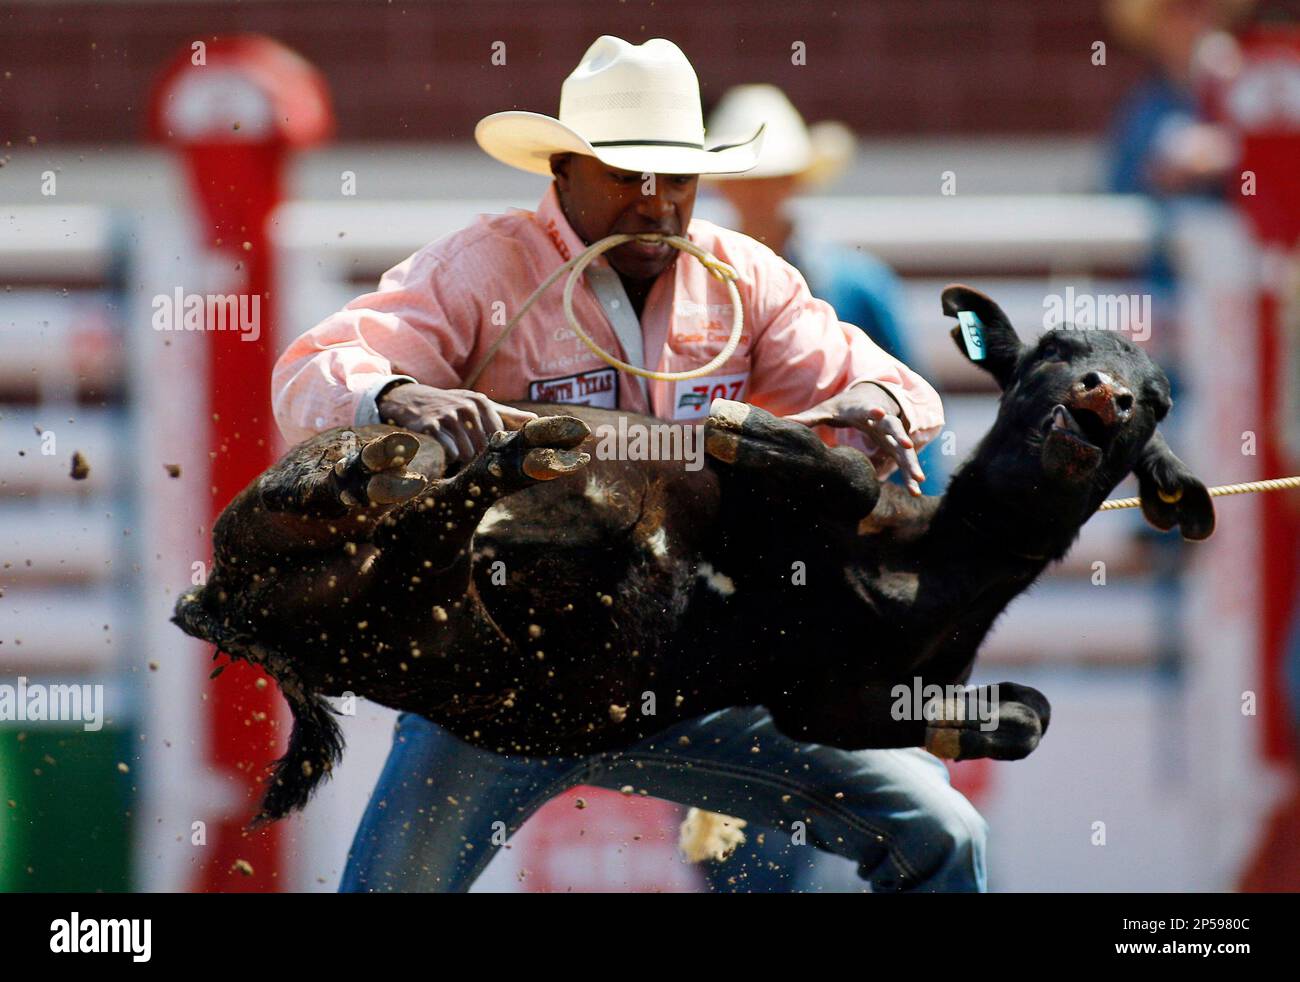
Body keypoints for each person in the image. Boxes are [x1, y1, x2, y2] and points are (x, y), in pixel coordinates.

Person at [271, 34, 987, 893]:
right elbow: (315, 366)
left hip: (696, 665)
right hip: (501, 687)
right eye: (626, 176)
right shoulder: (482, 266)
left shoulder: (743, 280)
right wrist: (390, 393)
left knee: (941, 829)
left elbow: (886, 382)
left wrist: (880, 408)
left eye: (675, 179)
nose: (655, 204)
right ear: (563, 171)